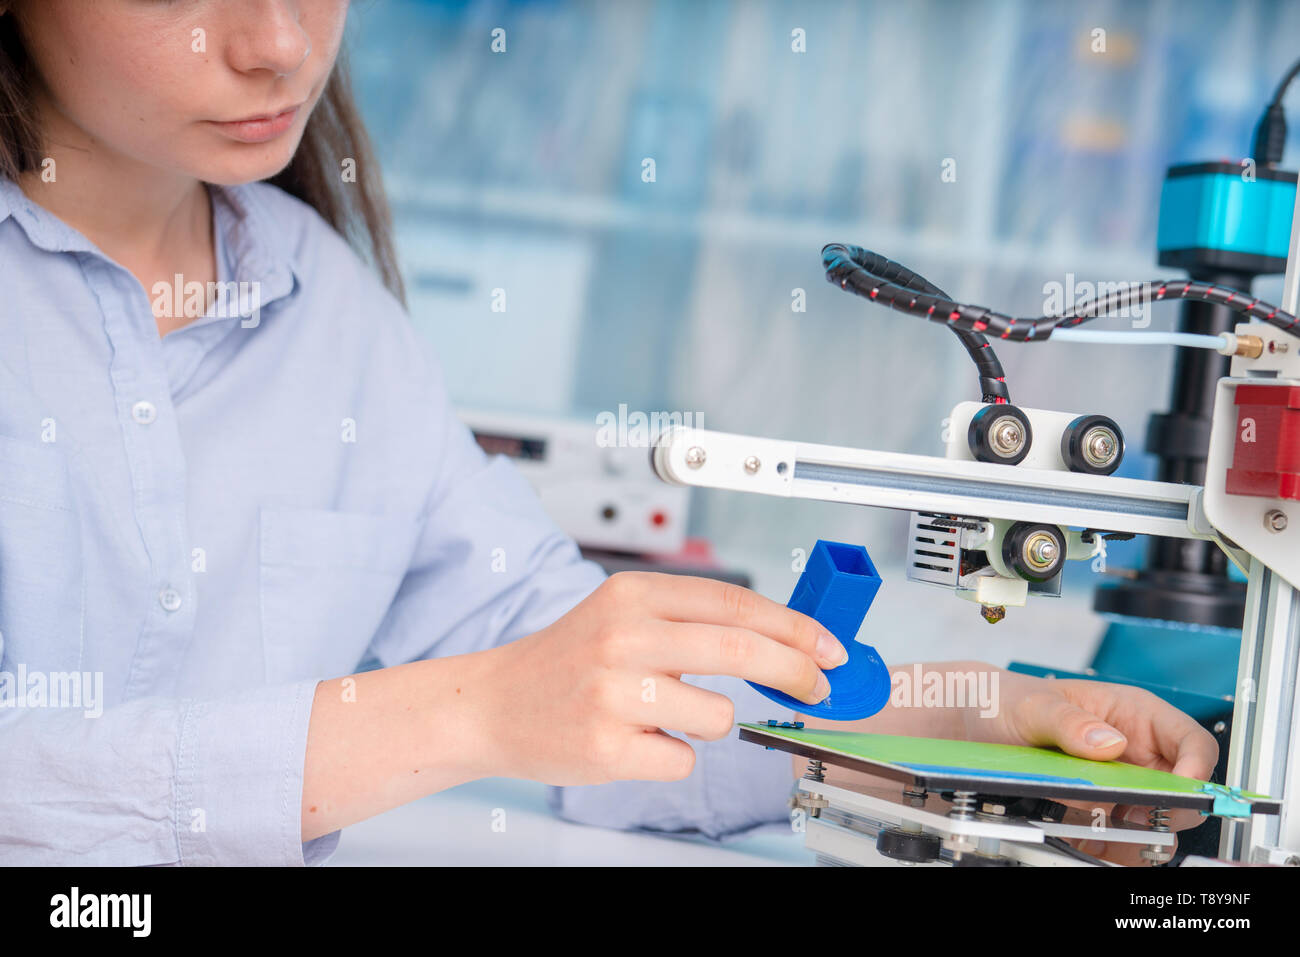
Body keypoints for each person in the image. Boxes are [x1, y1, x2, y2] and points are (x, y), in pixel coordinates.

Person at [0, 0, 1215, 866]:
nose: (277, 45)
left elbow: (582, 676)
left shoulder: (331, 313)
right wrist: (466, 712)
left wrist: (977, 716)